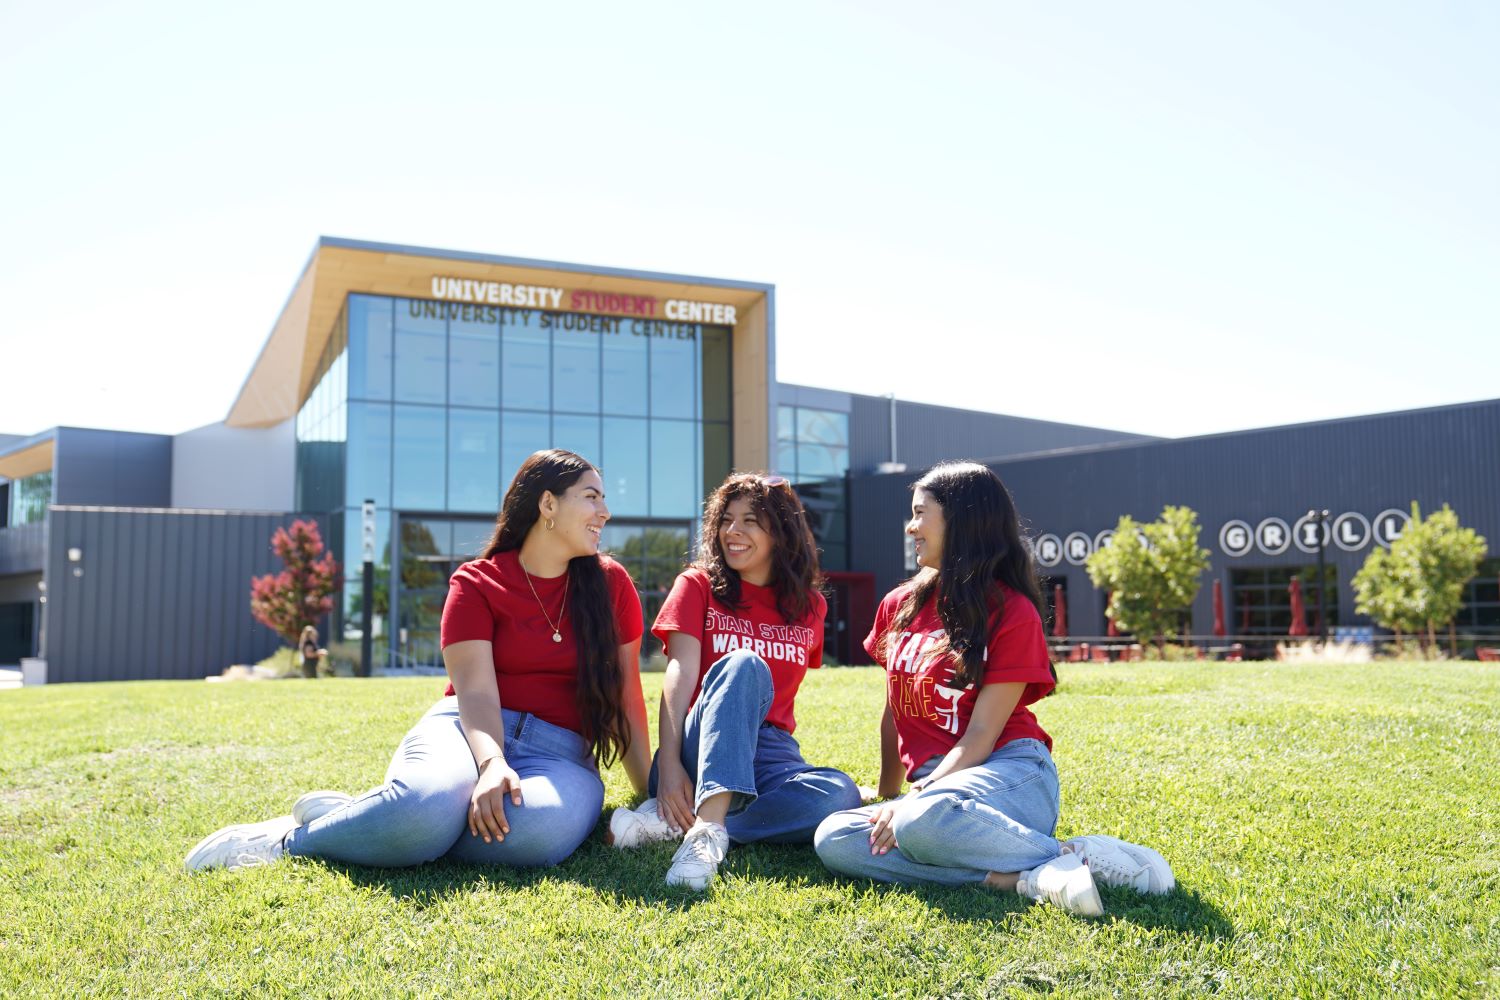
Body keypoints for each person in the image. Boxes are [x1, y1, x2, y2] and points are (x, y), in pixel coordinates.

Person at [185, 450, 652, 872]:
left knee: (540, 831)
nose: (605, 512)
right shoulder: (476, 583)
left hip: (561, 755)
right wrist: (492, 763)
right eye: (591, 497)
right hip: (467, 731)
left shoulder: (611, 585)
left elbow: (628, 693)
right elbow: (475, 691)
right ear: (547, 504)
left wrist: (650, 792)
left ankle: (379, 819)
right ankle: (290, 841)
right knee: (426, 805)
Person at [813, 462, 1173, 915]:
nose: (911, 527)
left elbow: (981, 735)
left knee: (920, 820)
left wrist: (915, 801)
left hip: (1010, 773)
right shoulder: (899, 605)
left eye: (921, 513)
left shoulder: (1011, 610)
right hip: (936, 792)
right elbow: (895, 710)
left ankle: (1077, 855)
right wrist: (890, 796)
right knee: (834, 839)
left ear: (961, 521)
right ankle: (1022, 878)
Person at [607, 473, 862, 889]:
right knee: (743, 665)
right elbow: (681, 673)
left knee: (840, 794)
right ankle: (706, 832)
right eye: (726, 519)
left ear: (781, 532)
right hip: (702, 738)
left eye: (751, 521)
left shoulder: (809, 606)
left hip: (771, 751)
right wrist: (669, 765)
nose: (733, 531)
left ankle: (678, 823)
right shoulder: (697, 586)